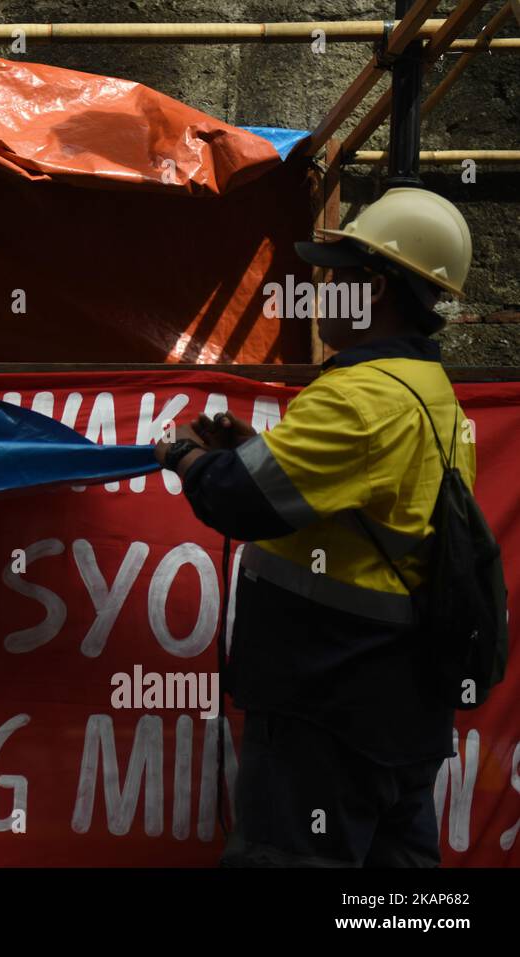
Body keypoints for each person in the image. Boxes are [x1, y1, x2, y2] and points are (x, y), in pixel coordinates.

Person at [154, 187, 476, 867]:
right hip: (405, 709)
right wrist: (251, 451)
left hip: (327, 704)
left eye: (335, 276)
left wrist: (186, 458)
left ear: (377, 290)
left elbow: (240, 500)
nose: (321, 290)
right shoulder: (428, 388)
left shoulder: (358, 399)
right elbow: (345, 495)